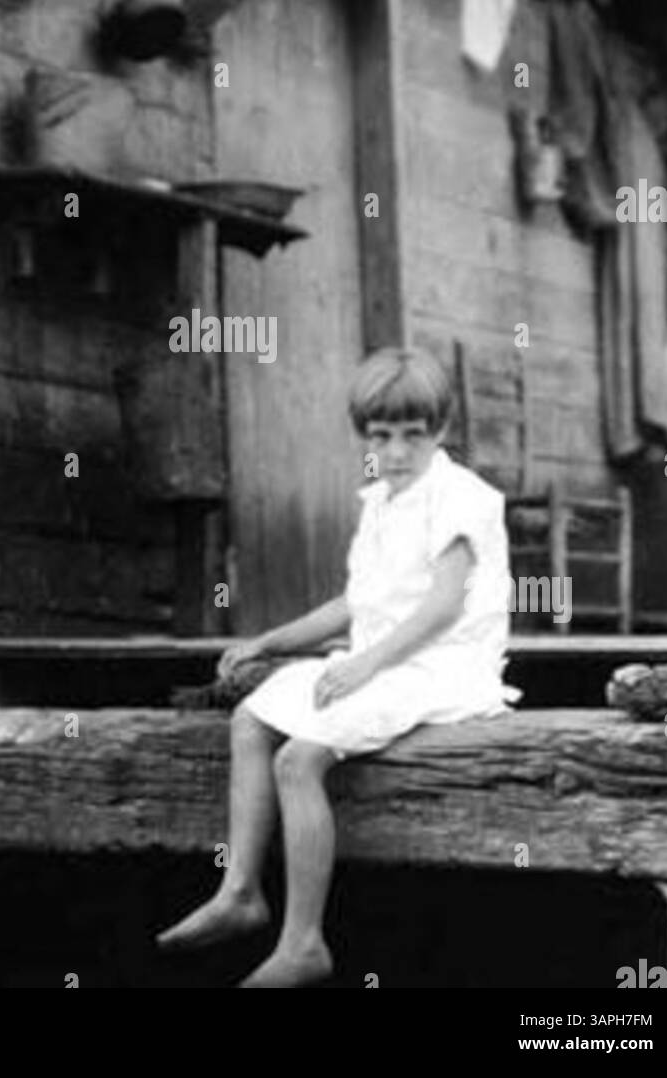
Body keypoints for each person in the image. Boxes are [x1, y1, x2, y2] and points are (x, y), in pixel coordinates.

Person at [155, 346, 520, 987]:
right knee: (250, 717)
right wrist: (271, 641)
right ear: (365, 437)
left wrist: (364, 667)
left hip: (440, 669)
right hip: (382, 660)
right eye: (383, 436)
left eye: (414, 435)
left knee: (300, 759)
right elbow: (357, 603)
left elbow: (441, 607)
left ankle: (303, 943)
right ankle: (240, 891)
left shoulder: (463, 497)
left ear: (441, 431)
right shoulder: (380, 500)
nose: (398, 451)